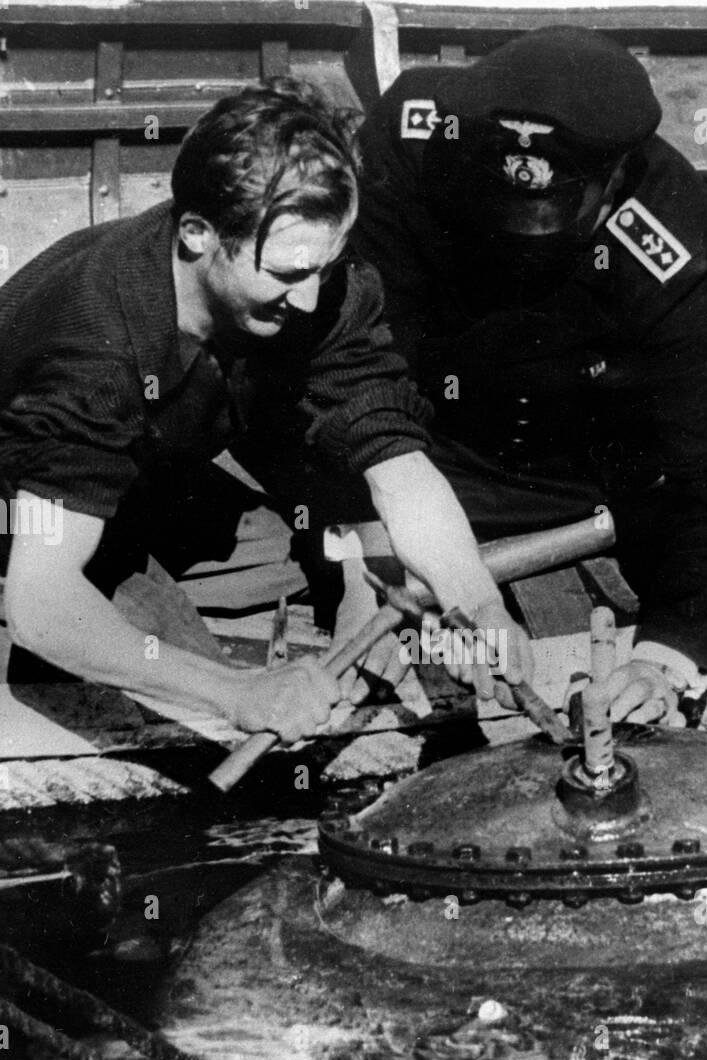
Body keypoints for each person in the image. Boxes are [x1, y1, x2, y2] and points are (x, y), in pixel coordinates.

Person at [0, 79, 531, 745]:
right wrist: (236, 692)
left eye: (324, 267)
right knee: (183, 701)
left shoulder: (313, 280)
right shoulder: (94, 345)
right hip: (22, 526)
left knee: (335, 584)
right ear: (197, 233)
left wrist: (479, 606)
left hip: (142, 482)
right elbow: (42, 601)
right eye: (285, 275)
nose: (309, 301)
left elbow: (398, 468)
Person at [352, 26, 707, 725]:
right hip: (421, 449)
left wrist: (667, 656)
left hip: (585, 471)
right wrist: (372, 529)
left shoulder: (680, 247)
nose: (519, 242)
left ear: (616, 176)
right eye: (501, 211)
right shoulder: (414, 143)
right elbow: (354, 350)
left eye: (553, 220)